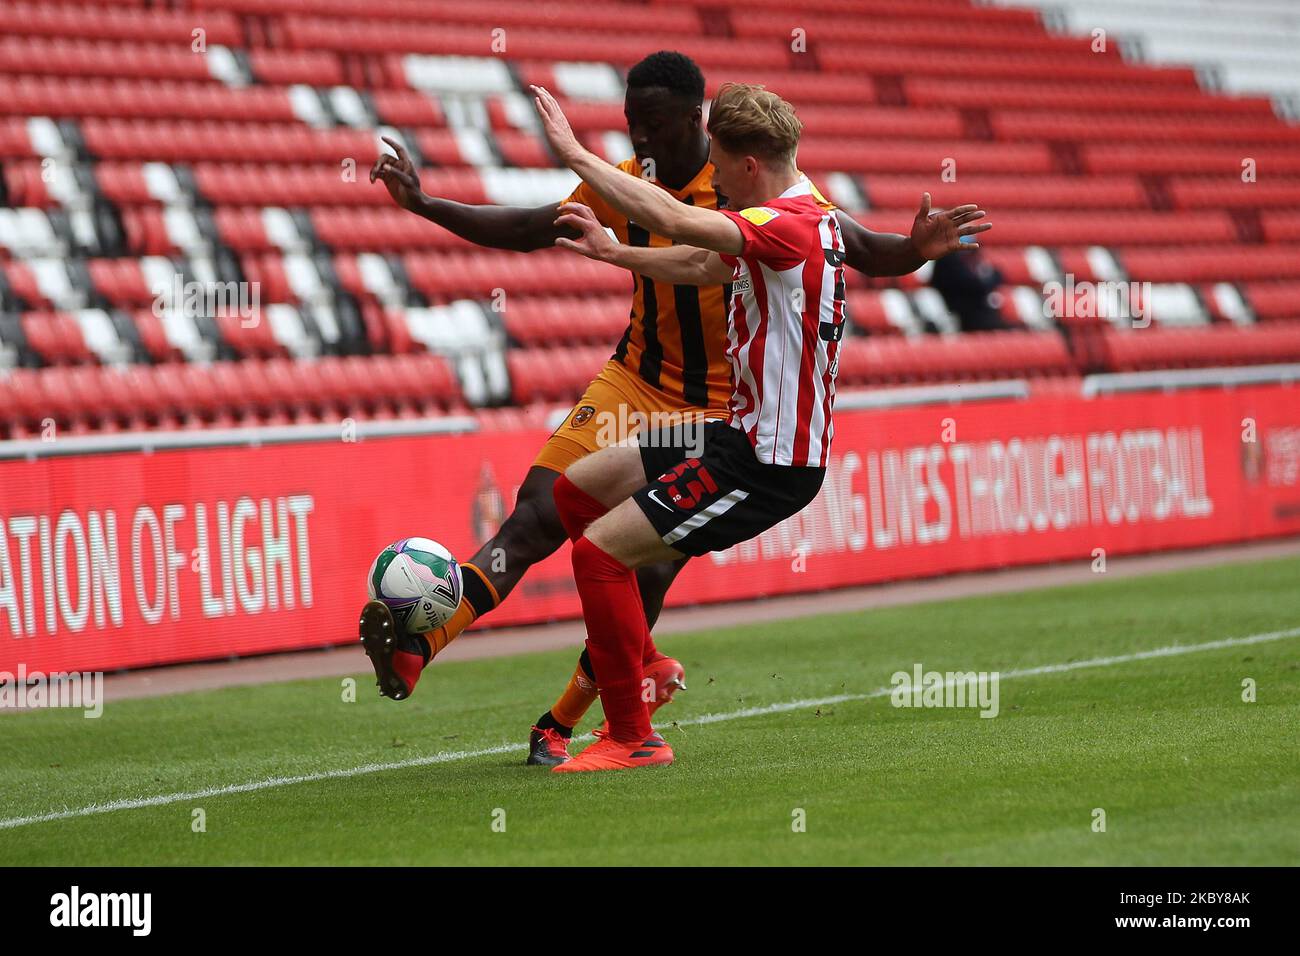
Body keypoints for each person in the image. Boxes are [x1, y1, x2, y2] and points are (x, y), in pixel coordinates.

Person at [363, 51, 989, 767]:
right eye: (631, 126)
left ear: (704, 128)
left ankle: (584, 724)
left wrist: (571, 149)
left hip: (734, 414)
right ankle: (426, 641)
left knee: (631, 561)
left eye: (654, 125)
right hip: (642, 381)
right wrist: (428, 206)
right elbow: (554, 230)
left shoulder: (758, 205)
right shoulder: (650, 183)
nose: (640, 141)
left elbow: (856, 250)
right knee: (550, 505)